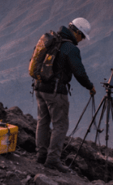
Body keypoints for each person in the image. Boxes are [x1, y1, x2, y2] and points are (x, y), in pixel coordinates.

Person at [34, 17, 97, 173]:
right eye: (82, 36)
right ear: (76, 32)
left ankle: (41, 156)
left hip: (39, 87)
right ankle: (53, 160)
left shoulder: (52, 39)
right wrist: (90, 86)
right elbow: (79, 73)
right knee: (60, 125)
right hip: (56, 91)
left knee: (42, 121)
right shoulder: (70, 48)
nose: (81, 40)